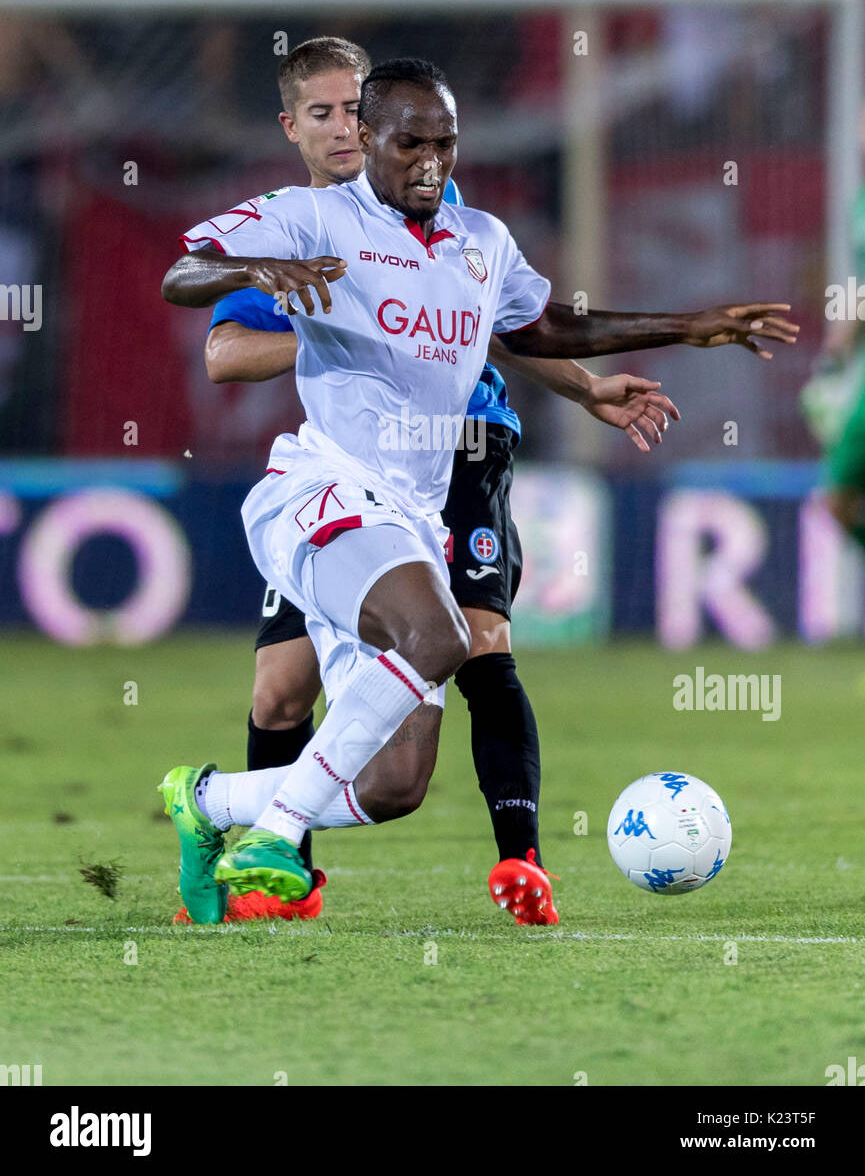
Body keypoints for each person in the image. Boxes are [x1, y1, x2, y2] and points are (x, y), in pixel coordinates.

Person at [160, 57, 798, 923]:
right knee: (441, 635)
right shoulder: (310, 215)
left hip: (414, 517)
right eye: (410, 142)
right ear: (366, 142)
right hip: (324, 489)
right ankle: (275, 835)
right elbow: (183, 274)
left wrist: (685, 326)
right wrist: (254, 270)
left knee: (392, 787)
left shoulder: (480, 241)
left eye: (446, 143)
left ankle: (207, 803)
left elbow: (542, 326)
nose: (430, 161)